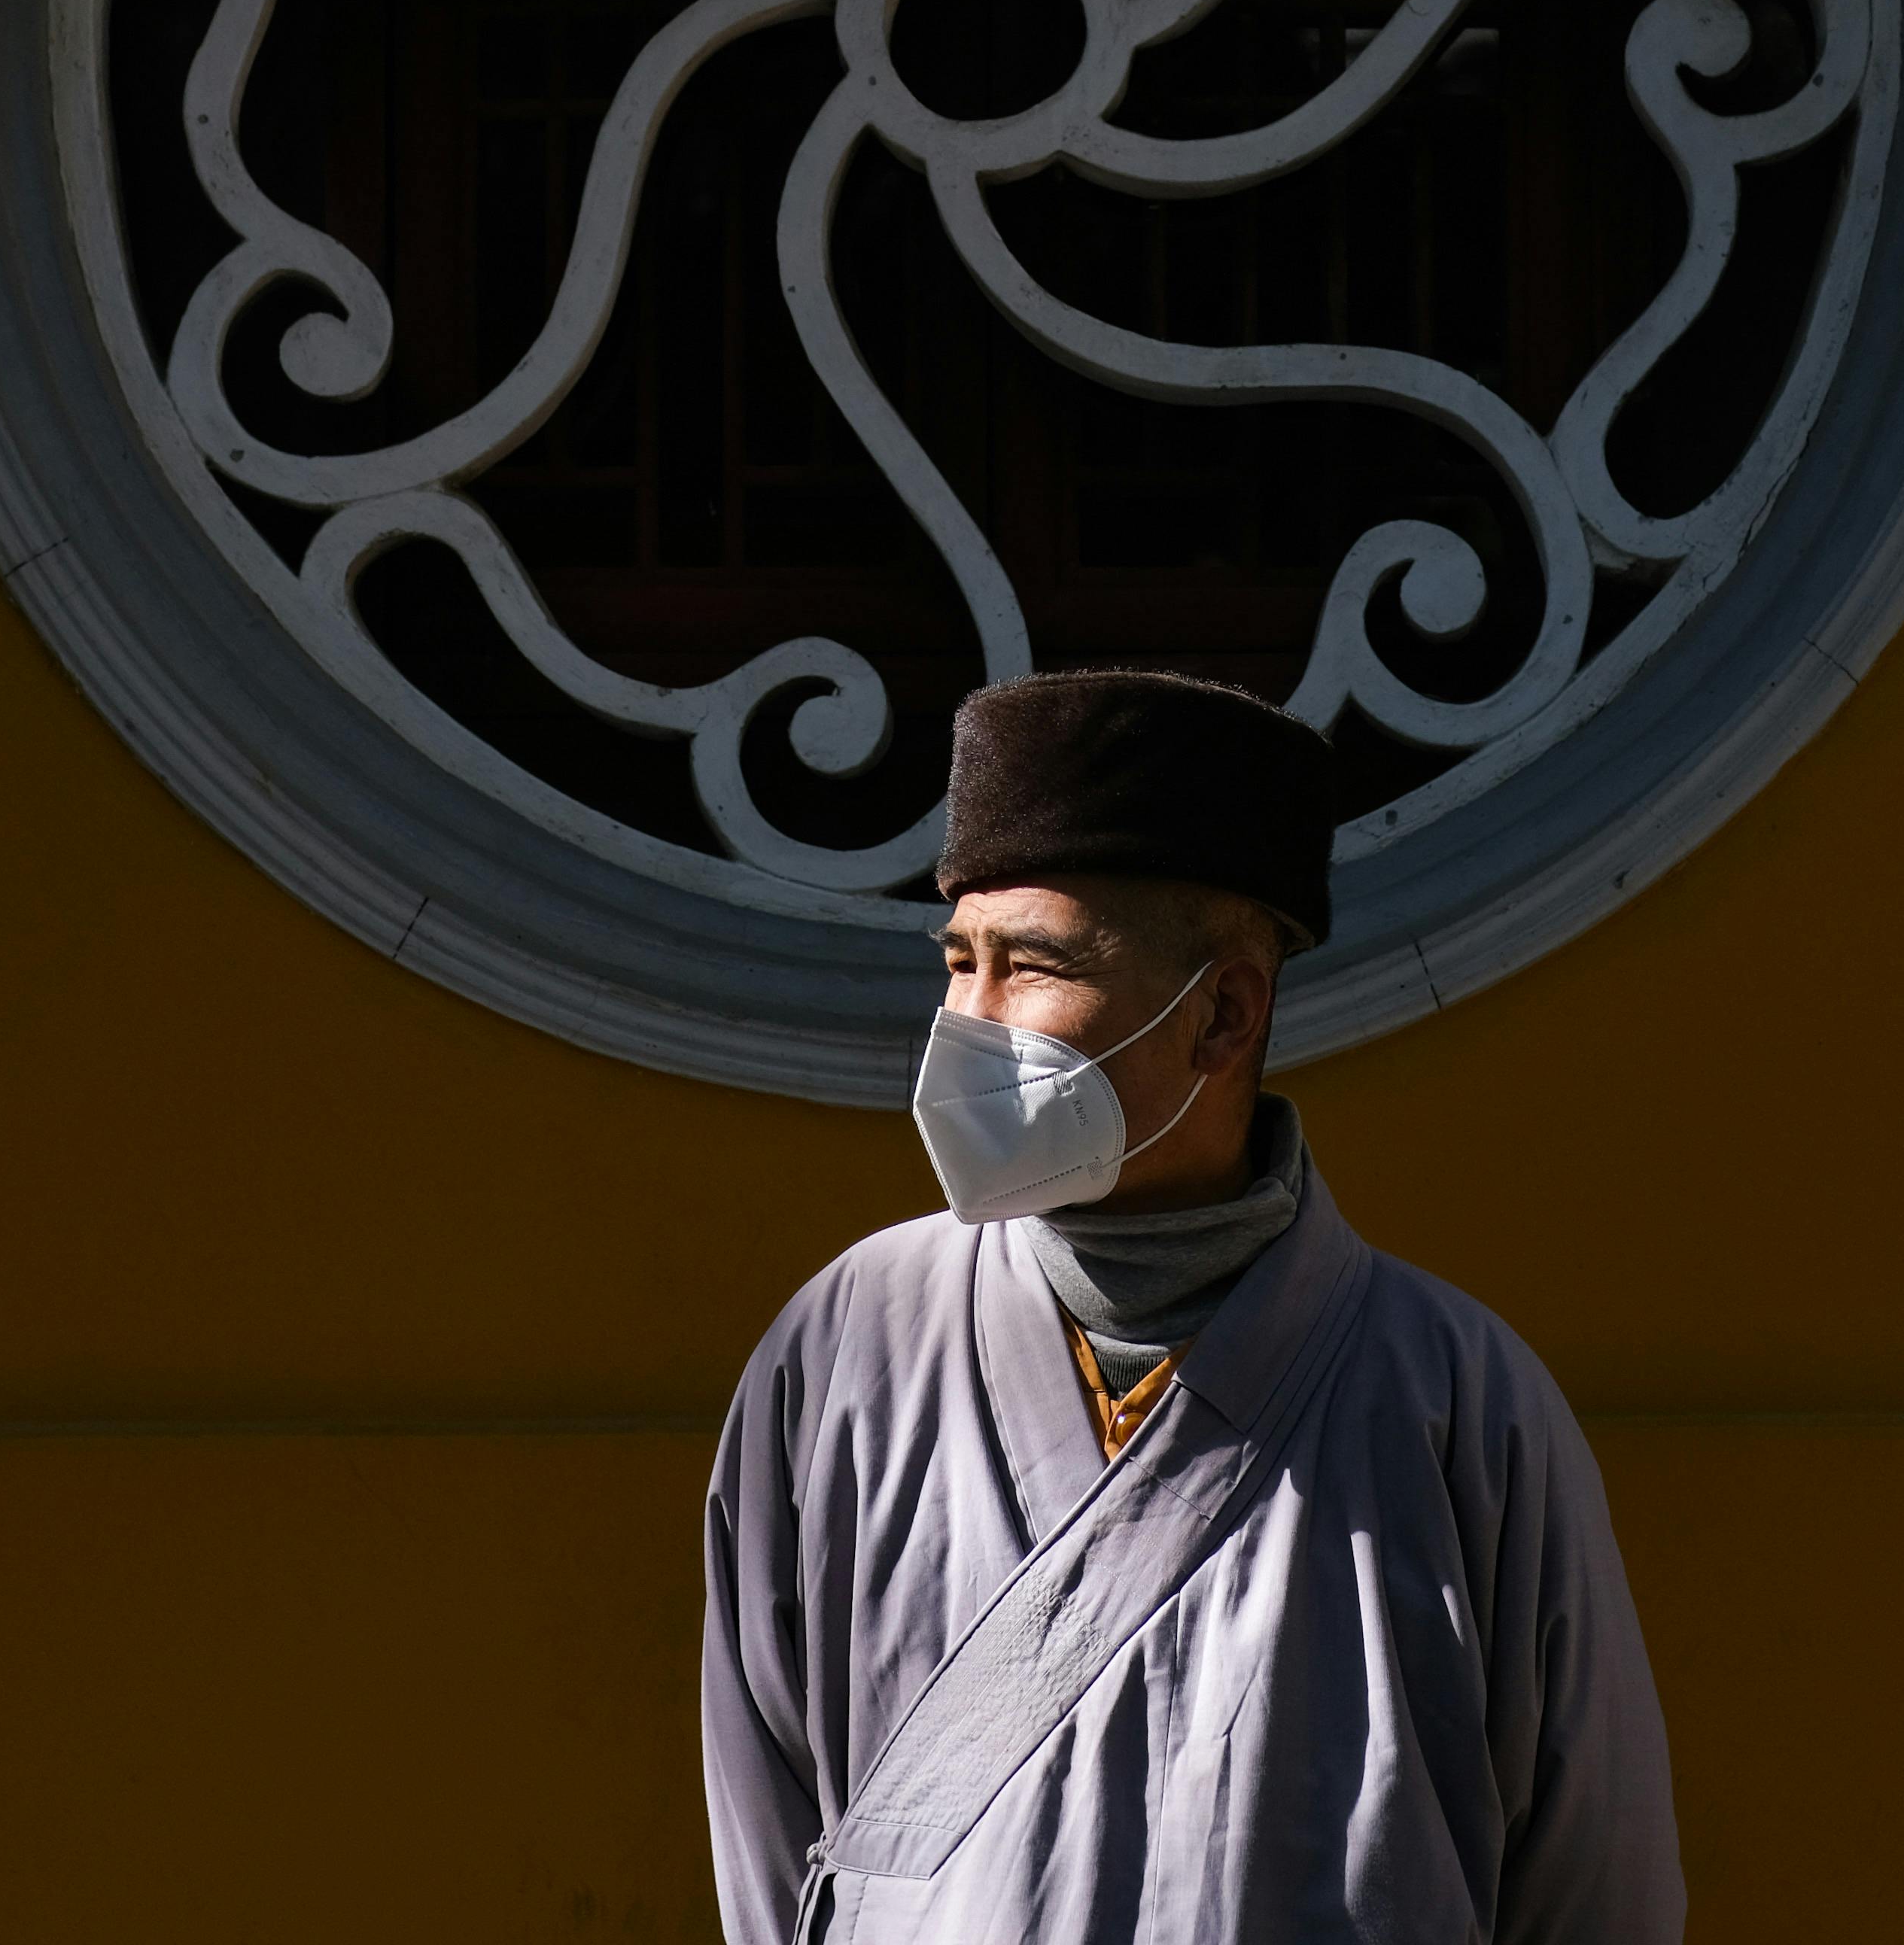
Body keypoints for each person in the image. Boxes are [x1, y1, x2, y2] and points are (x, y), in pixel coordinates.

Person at [700, 667, 1685, 1943]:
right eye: (959, 963)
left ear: (1223, 1011)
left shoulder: (1458, 1408)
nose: (969, 1023)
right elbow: (765, 1833)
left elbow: (1592, 1892)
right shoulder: (844, 1355)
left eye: (1032, 968)